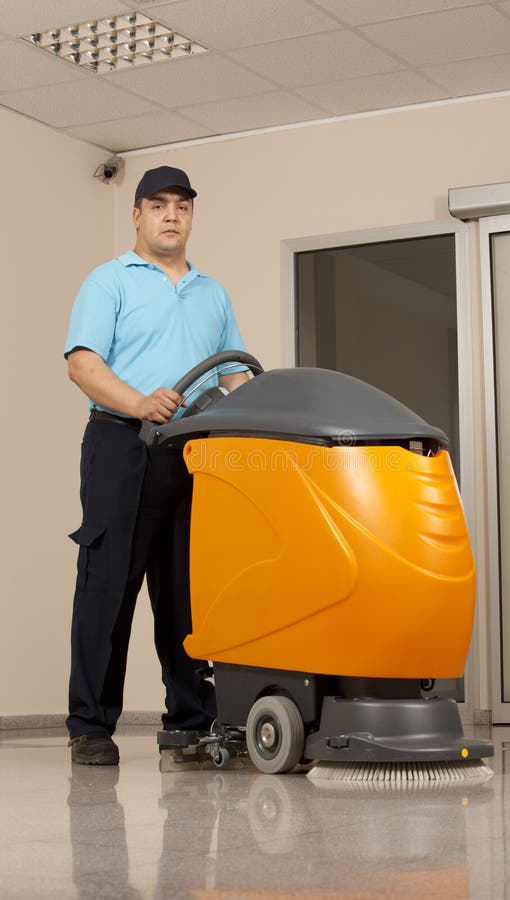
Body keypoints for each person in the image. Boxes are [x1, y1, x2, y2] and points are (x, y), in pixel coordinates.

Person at [64, 165, 249, 765]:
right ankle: (90, 727)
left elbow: (235, 374)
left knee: (186, 592)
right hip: (122, 444)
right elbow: (83, 365)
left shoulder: (211, 293)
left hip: (192, 453)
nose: (172, 215)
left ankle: (190, 723)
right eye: (159, 205)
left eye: (182, 206)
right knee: (107, 585)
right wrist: (140, 402)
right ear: (138, 215)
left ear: (191, 216)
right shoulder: (109, 281)